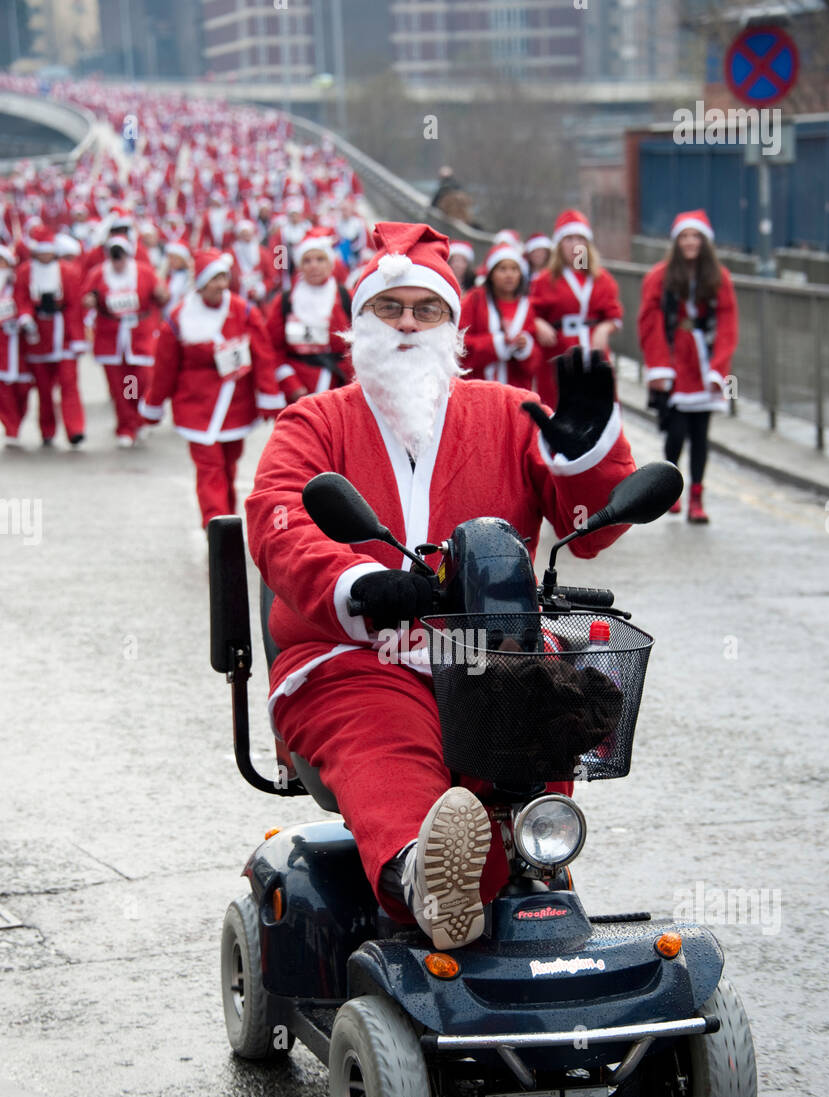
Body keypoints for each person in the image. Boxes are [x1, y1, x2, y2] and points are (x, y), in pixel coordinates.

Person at [245, 222, 636, 950]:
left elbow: (591, 526)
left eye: (425, 310)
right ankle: (420, 874)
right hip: (354, 652)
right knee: (385, 740)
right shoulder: (314, 421)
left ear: (452, 327)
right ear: (356, 322)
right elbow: (277, 520)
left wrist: (591, 453)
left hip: (491, 650)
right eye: (386, 308)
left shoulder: (510, 411)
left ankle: (525, 861)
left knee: (545, 707)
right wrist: (358, 583)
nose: (405, 324)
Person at [139, 249, 285, 527]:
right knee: (209, 468)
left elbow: (263, 355)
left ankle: (226, 519)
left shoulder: (243, 311)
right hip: (195, 407)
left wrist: (268, 394)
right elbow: (165, 367)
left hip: (236, 406)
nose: (220, 285)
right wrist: (154, 403)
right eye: (214, 279)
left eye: (223, 278)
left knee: (229, 465)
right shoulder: (179, 318)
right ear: (201, 283)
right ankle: (215, 522)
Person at [637, 209, 738, 524]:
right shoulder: (660, 276)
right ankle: (672, 491)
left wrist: (719, 369)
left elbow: (727, 323)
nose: (691, 242)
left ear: (705, 242)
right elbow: (649, 323)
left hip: (703, 362)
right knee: (676, 431)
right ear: (676, 241)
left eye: (696, 237)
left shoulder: (719, 277)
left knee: (700, 433)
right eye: (685, 237)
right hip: (675, 359)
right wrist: (658, 367)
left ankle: (697, 496)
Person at [530, 209, 623, 409]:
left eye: (579, 239)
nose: (575, 245)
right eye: (569, 239)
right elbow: (530, 312)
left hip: (593, 351)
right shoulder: (545, 280)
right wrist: (538, 324)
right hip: (559, 352)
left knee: (599, 410)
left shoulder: (601, 278)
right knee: (559, 410)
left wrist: (604, 328)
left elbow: (613, 314)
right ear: (559, 245)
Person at [81, 234, 166, 447]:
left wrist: (161, 293)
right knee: (119, 387)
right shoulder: (98, 274)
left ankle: (138, 418)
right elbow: (86, 297)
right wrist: (90, 300)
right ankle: (126, 426)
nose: (117, 260)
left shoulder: (144, 272)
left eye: (121, 255)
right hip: (111, 338)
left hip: (139, 336)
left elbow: (161, 296)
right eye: (113, 255)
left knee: (139, 382)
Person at [14, 223, 86, 448]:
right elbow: (21, 299)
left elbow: (75, 306)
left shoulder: (67, 271)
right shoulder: (25, 272)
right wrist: (25, 317)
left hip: (62, 333)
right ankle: (47, 430)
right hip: (37, 337)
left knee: (69, 384)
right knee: (44, 390)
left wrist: (77, 338)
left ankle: (75, 428)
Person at [264, 227, 352, 400]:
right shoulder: (285, 301)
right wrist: (291, 383)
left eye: (320, 259)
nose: (314, 266)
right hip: (298, 392)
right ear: (299, 266)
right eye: (307, 261)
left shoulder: (346, 297)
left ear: (330, 263)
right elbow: (272, 349)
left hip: (339, 388)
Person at [459, 242, 540, 390]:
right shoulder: (475, 300)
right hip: (479, 386)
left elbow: (536, 359)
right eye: (502, 269)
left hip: (516, 389)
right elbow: (459, 343)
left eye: (514, 269)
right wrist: (495, 344)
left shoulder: (527, 306)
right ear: (491, 274)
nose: (509, 274)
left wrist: (525, 348)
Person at [0, 245, 32, 449]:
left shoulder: (19, 285)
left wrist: (25, 319)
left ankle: (17, 421)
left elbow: (26, 304)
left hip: (20, 345)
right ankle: (10, 427)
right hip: (0, 347)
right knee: (2, 391)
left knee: (22, 388)